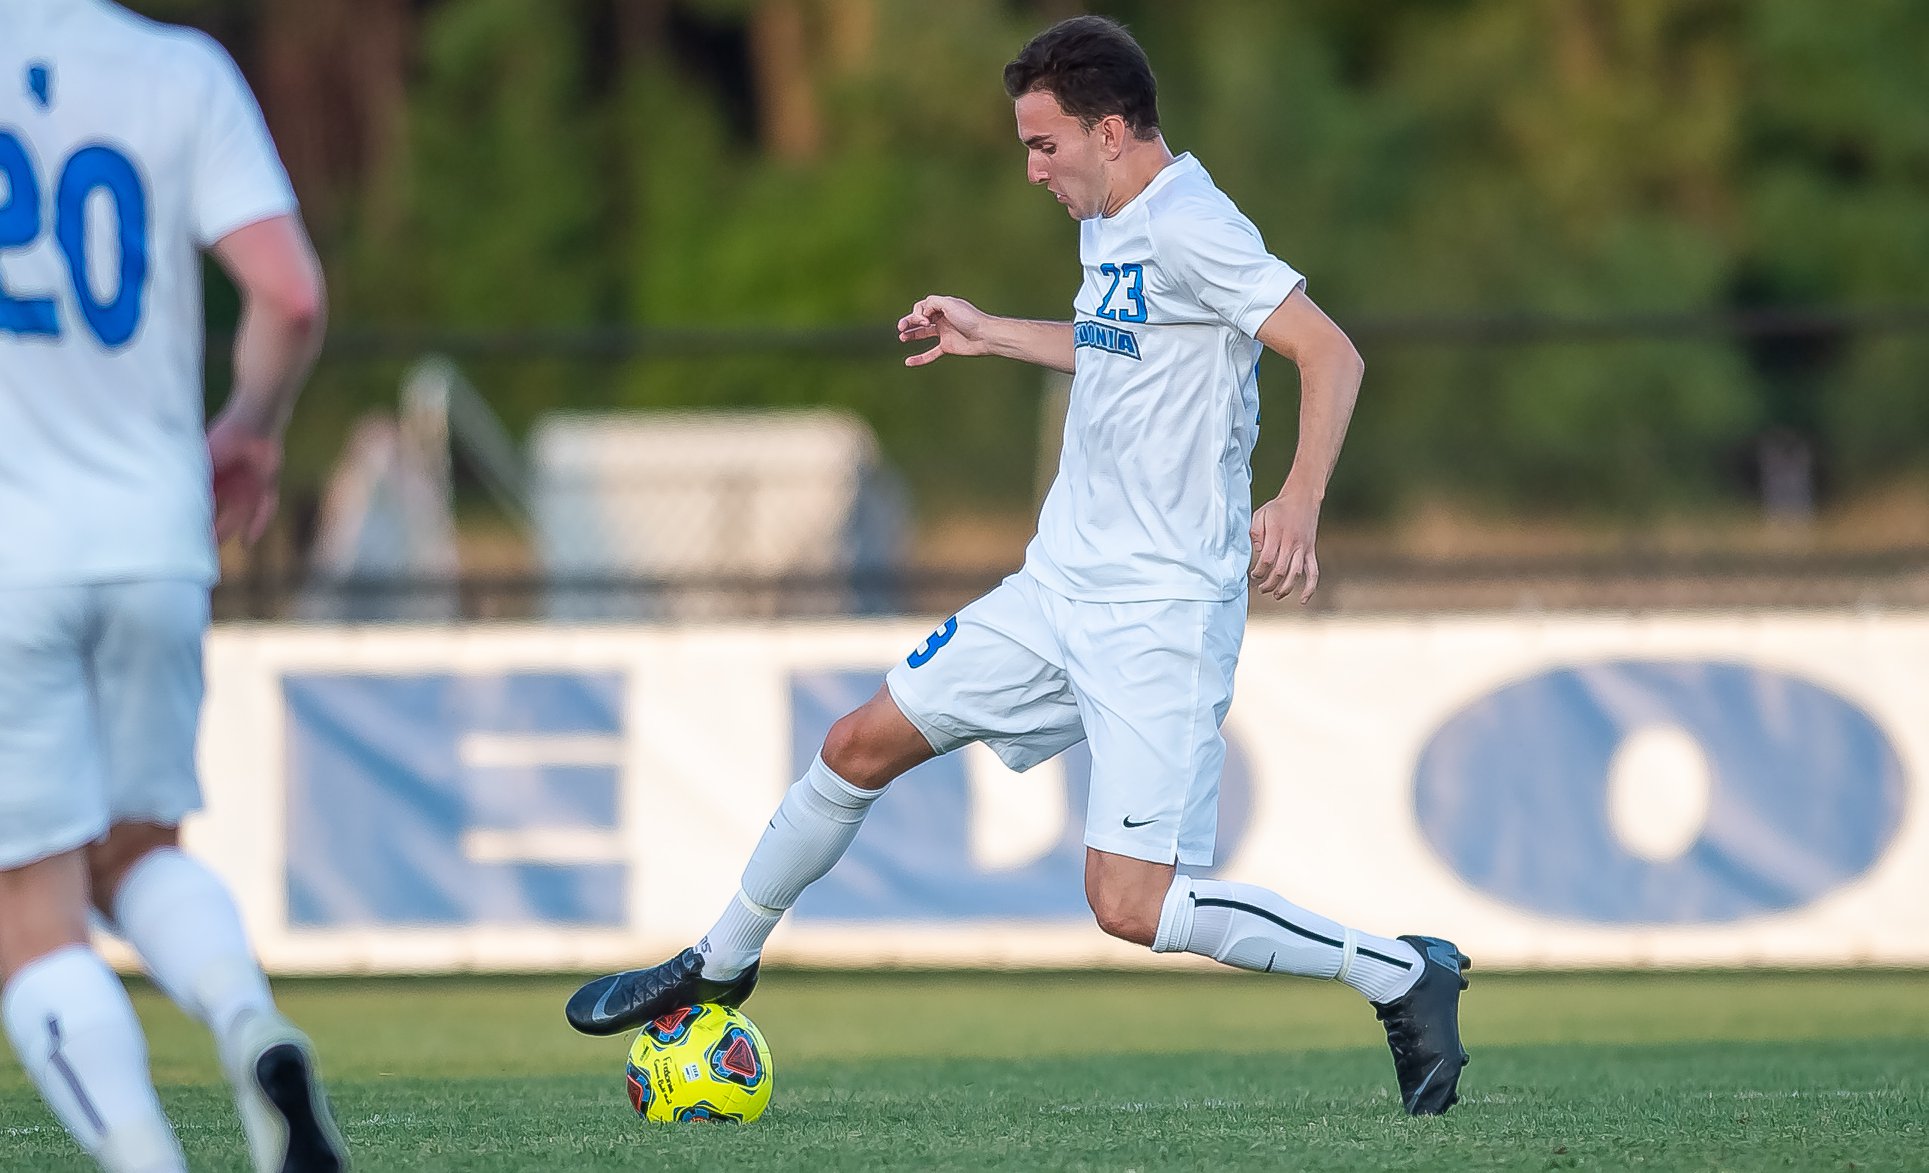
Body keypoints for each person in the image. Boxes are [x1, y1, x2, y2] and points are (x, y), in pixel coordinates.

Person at [567, 14, 1469, 1115]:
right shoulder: (1114, 216)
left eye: (1044, 146)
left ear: (1110, 130)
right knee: (857, 745)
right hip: (1058, 589)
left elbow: (1331, 351)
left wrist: (1298, 498)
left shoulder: (1194, 220)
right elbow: (1121, 343)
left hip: (1158, 614)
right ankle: (718, 960)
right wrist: (993, 331)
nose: (1033, 169)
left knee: (1132, 905)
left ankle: (1401, 975)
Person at [1, 1, 348, 1168]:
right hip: (158, 528)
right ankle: (251, 1023)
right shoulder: (178, 69)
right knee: (140, 849)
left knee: (29, 917)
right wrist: (251, 423)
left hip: (10, 551)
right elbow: (290, 294)